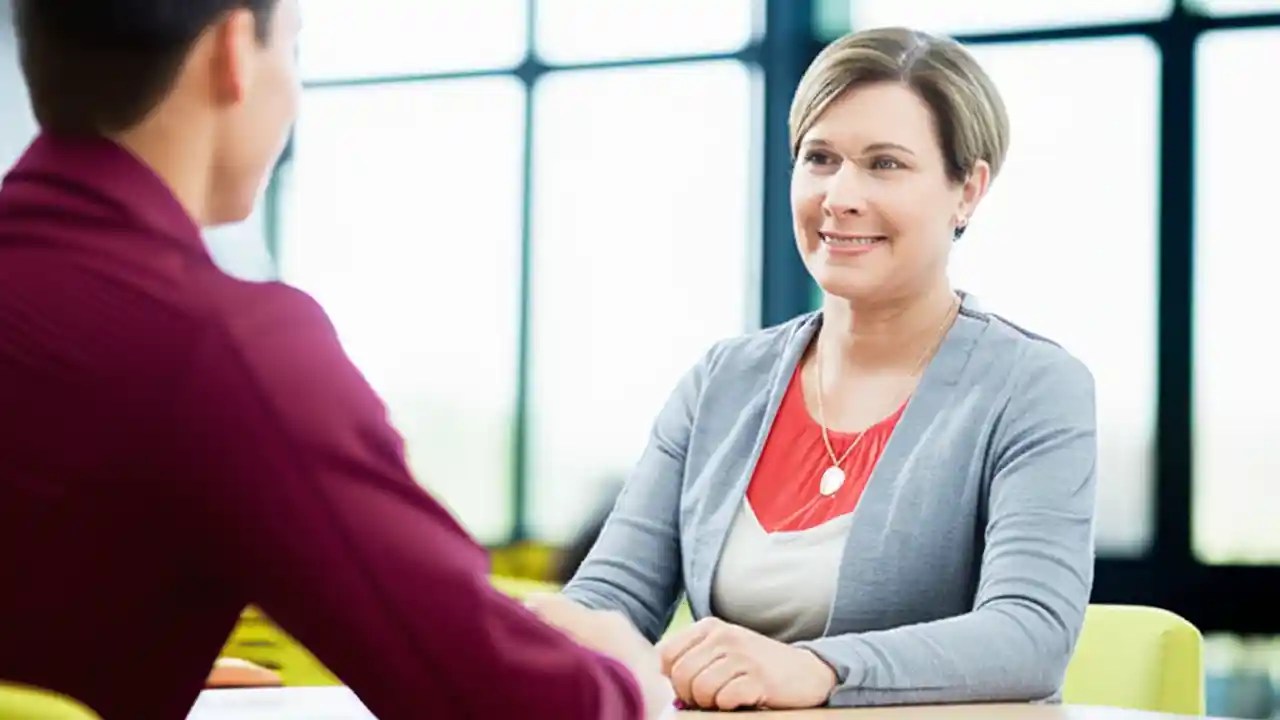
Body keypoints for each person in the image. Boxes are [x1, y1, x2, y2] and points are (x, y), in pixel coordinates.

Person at [0, 2, 672, 719]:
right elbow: (501, 699)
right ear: (235, 51)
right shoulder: (223, 346)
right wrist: (625, 675)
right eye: (292, 46)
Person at [529, 26, 1099, 711]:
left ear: (967, 190)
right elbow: (610, 603)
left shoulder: (1033, 388)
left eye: (885, 164)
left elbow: (1029, 635)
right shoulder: (722, 381)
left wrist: (817, 669)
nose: (841, 196)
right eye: (820, 158)